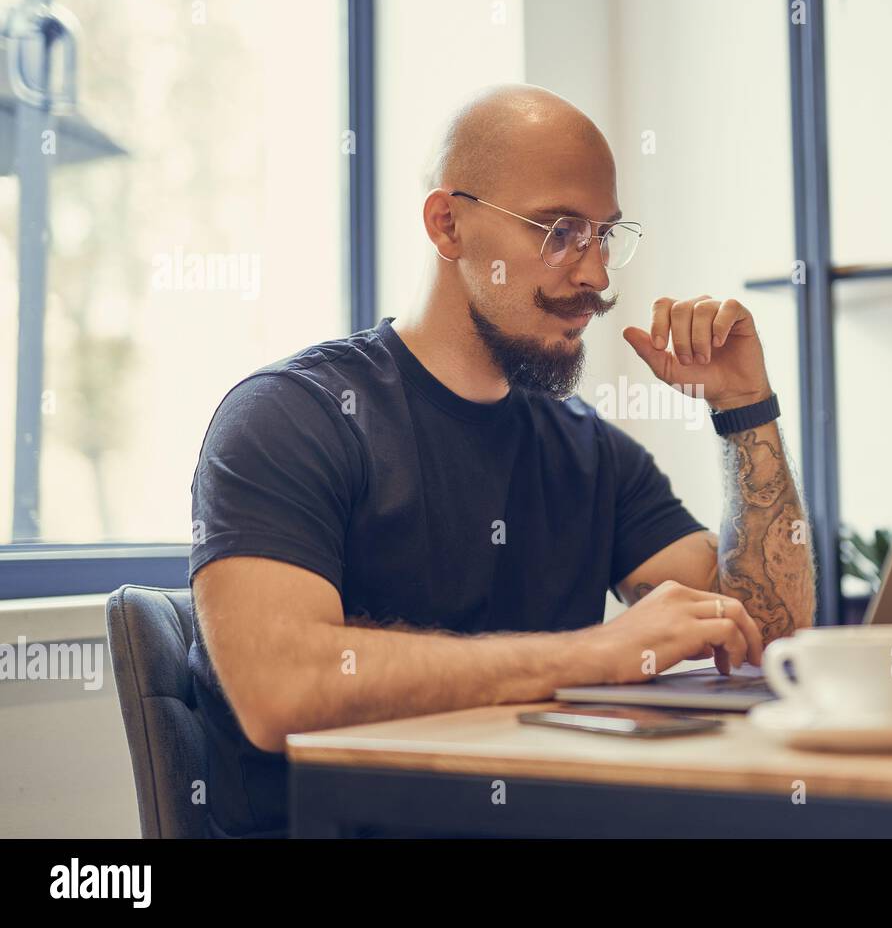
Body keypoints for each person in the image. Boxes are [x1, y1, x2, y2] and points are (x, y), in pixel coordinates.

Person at [188, 83, 814, 837]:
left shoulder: (590, 453)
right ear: (448, 224)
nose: (595, 275)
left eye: (605, 235)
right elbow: (279, 692)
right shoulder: (292, 418)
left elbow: (762, 638)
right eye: (557, 231)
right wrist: (596, 654)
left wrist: (745, 409)